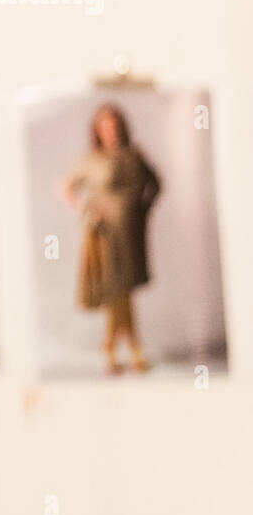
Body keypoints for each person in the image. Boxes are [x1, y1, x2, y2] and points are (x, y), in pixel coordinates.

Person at [61, 103, 161, 375]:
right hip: (105, 235)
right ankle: (127, 349)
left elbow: (155, 184)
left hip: (131, 232)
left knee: (126, 289)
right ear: (97, 130)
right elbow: (67, 187)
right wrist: (86, 210)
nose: (111, 130)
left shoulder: (134, 155)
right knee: (116, 290)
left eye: (114, 124)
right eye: (105, 126)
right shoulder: (92, 159)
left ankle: (115, 349)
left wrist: (142, 210)